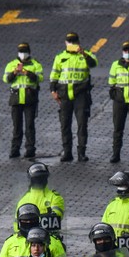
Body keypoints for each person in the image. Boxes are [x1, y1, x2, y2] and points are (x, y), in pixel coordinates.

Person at [50, 32, 98, 162]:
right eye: (69, 41)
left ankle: (81, 152)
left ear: (78, 42)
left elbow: (93, 64)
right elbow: (54, 74)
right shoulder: (60, 57)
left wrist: (84, 54)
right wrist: (53, 90)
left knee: (82, 123)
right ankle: (67, 152)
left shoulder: (85, 55)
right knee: (65, 124)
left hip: (80, 94)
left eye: (73, 41)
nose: (71, 44)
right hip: (64, 95)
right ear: (66, 43)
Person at [4, 42, 43, 158]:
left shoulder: (35, 64)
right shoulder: (12, 64)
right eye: (21, 52)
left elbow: (39, 78)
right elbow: (6, 79)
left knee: (29, 125)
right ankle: (15, 149)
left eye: (25, 51)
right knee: (17, 126)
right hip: (16, 99)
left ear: (29, 52)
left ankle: (30, 149)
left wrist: (26, 72)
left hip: (30, 99)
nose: (23, 54)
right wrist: (15, 72)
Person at [15, 163, 66, 237]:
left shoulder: (55, 197)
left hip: (49, 237)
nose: (39, 181)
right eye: (37, 178)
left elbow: (57, 215)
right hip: (28, 238)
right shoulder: (23, 199)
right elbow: (17, 225)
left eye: (42, 178)